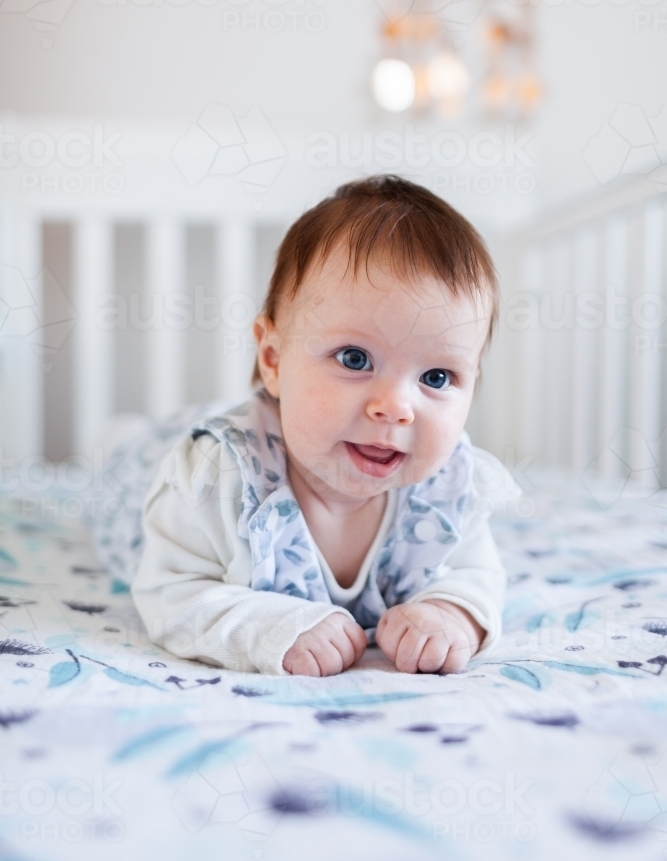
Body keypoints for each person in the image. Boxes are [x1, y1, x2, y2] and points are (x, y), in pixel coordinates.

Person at [123, 175, 519, 676]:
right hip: (141, 475)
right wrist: (273, 627)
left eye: (437, 376)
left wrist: (451, 614)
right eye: (355, 359)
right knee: (132, 454)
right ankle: (123, 435)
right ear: (273, 357)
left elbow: (478, 574)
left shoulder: (447, 489)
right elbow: (171, 596)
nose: (396, 408)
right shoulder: (214, 478)